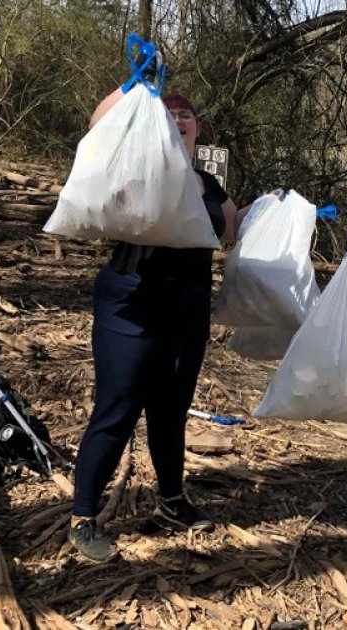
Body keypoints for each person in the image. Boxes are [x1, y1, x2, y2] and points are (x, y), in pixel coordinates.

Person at [68, 91, 247, 562]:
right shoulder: (134, 167)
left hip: (188, 305)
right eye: (169, 113)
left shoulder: (208, 183)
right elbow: (98, 126)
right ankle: (83, 517)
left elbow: (232, 228)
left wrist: (283, 207)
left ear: (197, 128)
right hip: (133, 299)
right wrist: (133, 86)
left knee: (172, 408)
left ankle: (171, 501)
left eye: (187, 114)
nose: (179, 119)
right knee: (119, 405)